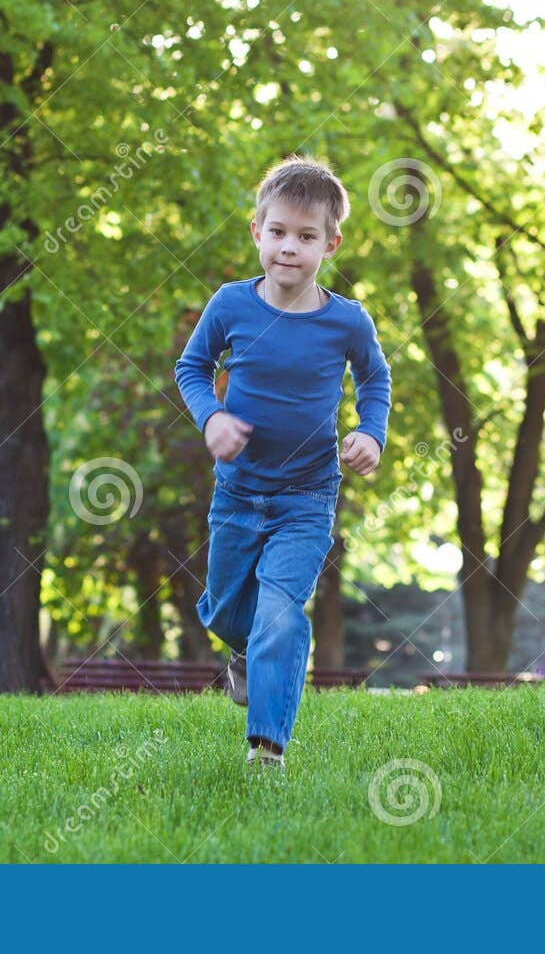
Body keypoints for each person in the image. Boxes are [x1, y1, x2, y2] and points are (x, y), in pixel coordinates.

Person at [173, 154, 391, 770]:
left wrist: (370, 433)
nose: (289, 248)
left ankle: (266, 747)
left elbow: (375, 380)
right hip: (238, 494)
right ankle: (242, 654)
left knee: (281, 612)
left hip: (307, 497)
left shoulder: (346, 321)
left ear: (331, 244)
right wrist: (211, 418)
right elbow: (191, 368)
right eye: (278, 233)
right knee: (223, 608)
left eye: (306, 236)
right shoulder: (230, 306)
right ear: (256, 233)